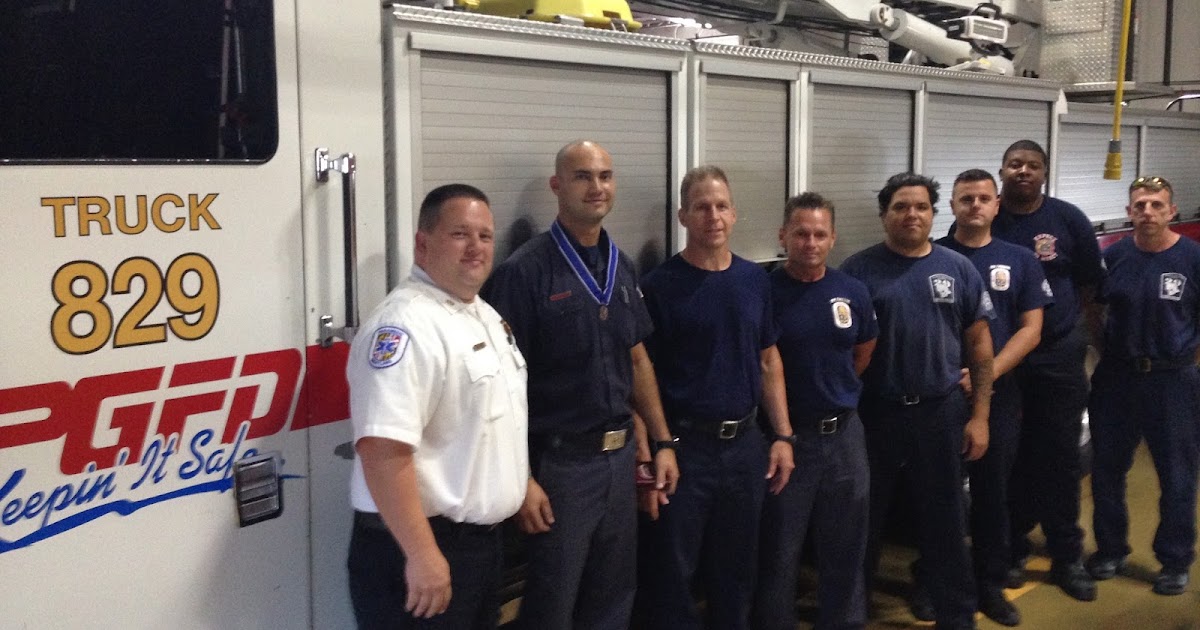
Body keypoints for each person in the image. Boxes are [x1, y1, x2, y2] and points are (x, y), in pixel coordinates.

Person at [482, 140, 679, 630]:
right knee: (553, 601)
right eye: (583, 176)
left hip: (619, 458)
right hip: (561, 467)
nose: (597, 187)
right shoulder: (523, 272)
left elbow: (637, 360)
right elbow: (501, 389)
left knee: (613, 597)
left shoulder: (622, 265)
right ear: (557, 186)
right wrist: (521, 479)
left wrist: (660, 442)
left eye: (605, 176)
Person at [346, 184, 528, 629]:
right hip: (423, 546)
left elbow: (486, 420)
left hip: (478, 548)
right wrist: (423, 554)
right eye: (460, 234)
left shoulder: (480, 314)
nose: (476, 247)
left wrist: (521, 481)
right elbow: (383, 451)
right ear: (423, 243)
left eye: (485, 236)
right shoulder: (404, 326)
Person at [639, 166, 795, 629]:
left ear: (735, 213)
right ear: (684, 215)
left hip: (746, 447)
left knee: (737, 570)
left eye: (721, 205)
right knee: (673, 573)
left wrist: (783, 435)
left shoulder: (754, 281)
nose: (713, 215)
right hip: (686, 449)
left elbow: (769, 360)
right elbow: (640, 375)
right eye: (702, 207)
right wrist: (659, 446)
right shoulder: (659, 286)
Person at [842, 172, 994, 630]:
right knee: (862, 522)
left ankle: (956, 614)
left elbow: (981, 348)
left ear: (933, 213)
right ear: (885, 215)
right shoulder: (856, 271)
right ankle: (852, 613)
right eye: (900, 207)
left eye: (921, 207)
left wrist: (981, 416)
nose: (911, 215)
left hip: (941, 411)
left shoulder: (959, 269)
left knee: (946, 521)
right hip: (875, 414)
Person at [933, 169, 1052, 626]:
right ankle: (935, 582)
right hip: (940, 399)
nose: (975, 206)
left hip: (997, 396)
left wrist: (986, 373)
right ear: (953, 206)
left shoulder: (1020, 259)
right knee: (938, 497)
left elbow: (1032, 328)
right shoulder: (932, 255)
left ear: (997, 204)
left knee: (991, 494)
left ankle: (991, 585)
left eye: (984, 198)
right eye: (966, 198)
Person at [752, 192, 877, 630]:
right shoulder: (763, 292)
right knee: (780, 550)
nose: (810, 242)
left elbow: (863, 352)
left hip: (844, 435)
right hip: (786, 440)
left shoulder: (852, 292)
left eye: (819, 234)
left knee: (845, 546)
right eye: (801, 233)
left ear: (832, 238)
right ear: (783, 236)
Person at [989, 140, 1104, 601]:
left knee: (1059, 456)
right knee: (1008, 457)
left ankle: (1066, 554)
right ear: (1002, 170)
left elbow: (1090, 286)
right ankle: (1012, 546)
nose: (1023, 171)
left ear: (1044, 172)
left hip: (1056, 354)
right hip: (1001, 361)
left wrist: (1087, 338)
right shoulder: (986, 217)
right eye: (1015, 164)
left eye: (1032, 165)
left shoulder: (1067, 218)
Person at [1086, 175, 1200, 597]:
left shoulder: (1193, 258)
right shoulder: (1114, 258)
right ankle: (1110, 550)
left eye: (1156, 204)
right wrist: (1107, 352)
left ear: (1172, 211)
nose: (1148, 212)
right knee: (1107, 470)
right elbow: (1093, 311)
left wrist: (1186, 361)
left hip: (1174, 381)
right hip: (1117, 377)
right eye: (1140, 205)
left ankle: (1174, 560)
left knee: (1178, 475)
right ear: (1130, 212)